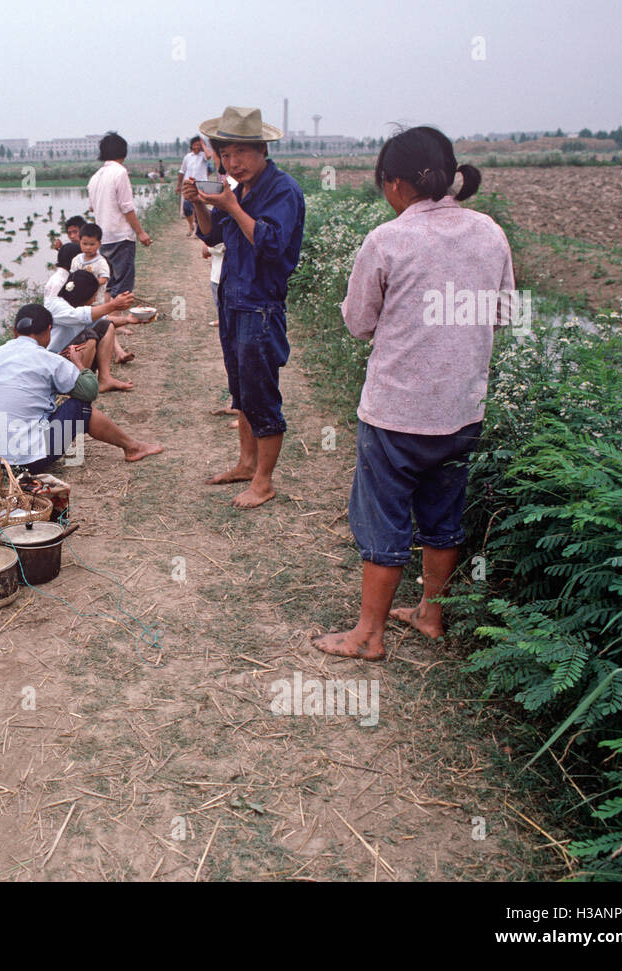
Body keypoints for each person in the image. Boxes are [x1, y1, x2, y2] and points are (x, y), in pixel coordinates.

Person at [314, 127, 510, 661]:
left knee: (384, 521)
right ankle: (430, 613)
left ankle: (369, 635)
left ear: (395, 183)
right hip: (461, 409)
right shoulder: (490, 232)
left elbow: (358, 323)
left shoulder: (388, 239)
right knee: (442, 519)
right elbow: (504, 312)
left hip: (397, 412)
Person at [185, 106, 305, 509]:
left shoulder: (282, 190)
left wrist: (232, 206)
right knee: (241, 390)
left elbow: (272, 245)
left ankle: (264, 482)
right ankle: (246, 463)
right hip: (233, 300)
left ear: (261, 149)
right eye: (226, 155)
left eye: (240, 153)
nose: (232, 163)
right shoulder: (239, 189)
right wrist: (200, 203)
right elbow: (213, 235)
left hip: (260, 306)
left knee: (261, 392)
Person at [0, 304, 163, 471]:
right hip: (26, 463)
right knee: (80, 407)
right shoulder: (48, 359)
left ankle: (133, 447)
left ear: (14, 331)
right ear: (48, 331)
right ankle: (132, 447)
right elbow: (89, 391)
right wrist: (78, 363)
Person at [45, 270, 134, 392]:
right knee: (89, 337)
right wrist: (113, 305)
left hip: (76, 357)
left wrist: (129, 319)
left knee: (107, 325)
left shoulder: (78, 305)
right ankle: (79, 387)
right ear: (83, 295)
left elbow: (103, 318)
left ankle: (105, 379)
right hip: (56, 363)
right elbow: (79, 316)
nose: (94, 300)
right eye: (93, 296)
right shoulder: (55, 305)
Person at [87, 132, 152, 298]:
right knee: (123, 284)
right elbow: (127, 207)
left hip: (103, 238)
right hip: (121, 236)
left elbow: (92, 208)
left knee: (109, 284)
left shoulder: (95, 177)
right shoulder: (120, 173)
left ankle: (110, 321)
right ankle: (116, 321)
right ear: (123, 152)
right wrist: (141, 232)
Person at [72, 222, 135, 365]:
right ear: (80, 242)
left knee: (104, 324)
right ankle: (114, 354)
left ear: (99, 244)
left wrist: (89, 283)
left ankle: (117, 353)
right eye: (85, 244)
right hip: (80, 302)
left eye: (92, 244)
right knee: (96, 327)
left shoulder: (101, 262)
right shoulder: (76, 260)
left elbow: (104, 278)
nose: (88, 248)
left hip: (96, 301)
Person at [178, 136, 213, 236]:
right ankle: (191, 226)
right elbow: (182, 171)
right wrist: (178, 185)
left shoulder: (203, 156)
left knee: (199, 208)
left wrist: (204, 145)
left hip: (201, 186)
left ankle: (198, 229)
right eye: (195, 144)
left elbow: (209, 155)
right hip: (189, 186)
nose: (196, 146)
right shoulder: (188, 157)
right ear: (191, 145)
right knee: (187, 208)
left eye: (199, 144)